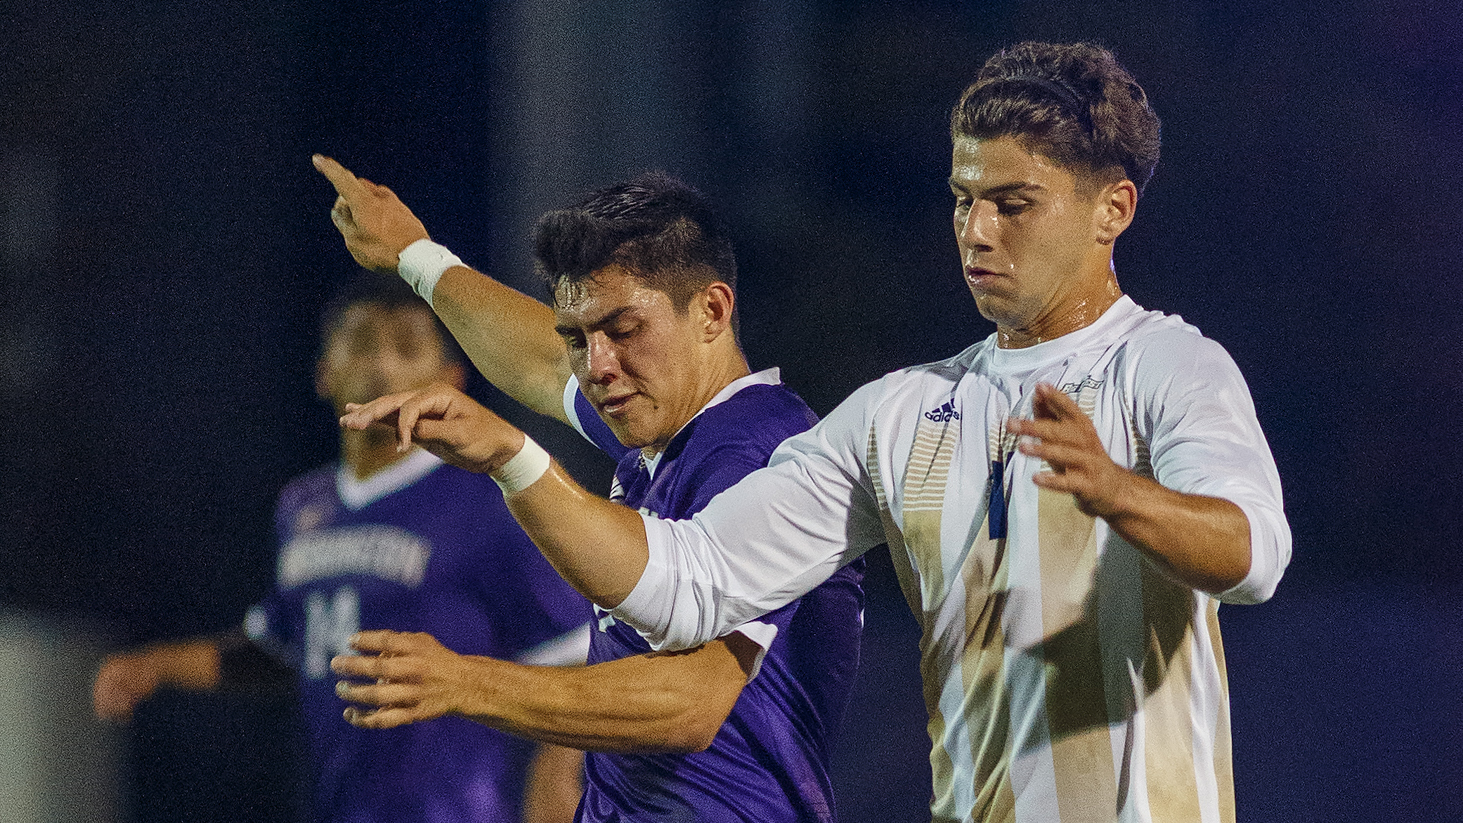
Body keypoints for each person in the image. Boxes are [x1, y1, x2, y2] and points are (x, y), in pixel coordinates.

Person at [336, 42, 1293, 823]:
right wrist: (511, 455)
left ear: (1110, 210)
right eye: (963, 199)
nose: (976, 230)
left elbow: (1251, 555)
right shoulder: (900, 410)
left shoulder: (1167, 366)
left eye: (1013, 203)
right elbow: (684, 581)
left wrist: (1120, 492)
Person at [314, 163, 866, 823]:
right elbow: (541, 360)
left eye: (623, 329)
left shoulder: (764, 457)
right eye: (579, 336)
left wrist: (466, 679)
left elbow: (690, 702)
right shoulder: (664, 429)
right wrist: (414, 254)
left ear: (712, 311)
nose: (598, 364)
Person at [92, 274, 591, 823]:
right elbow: (282, 647)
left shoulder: (491, 499)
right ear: (323, 371)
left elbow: (572, 659)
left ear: (451, 380)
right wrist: (156, 666)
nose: (381, 364)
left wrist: (555, 788)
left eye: (406, 346)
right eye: (360, 342)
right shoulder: (302, 505)